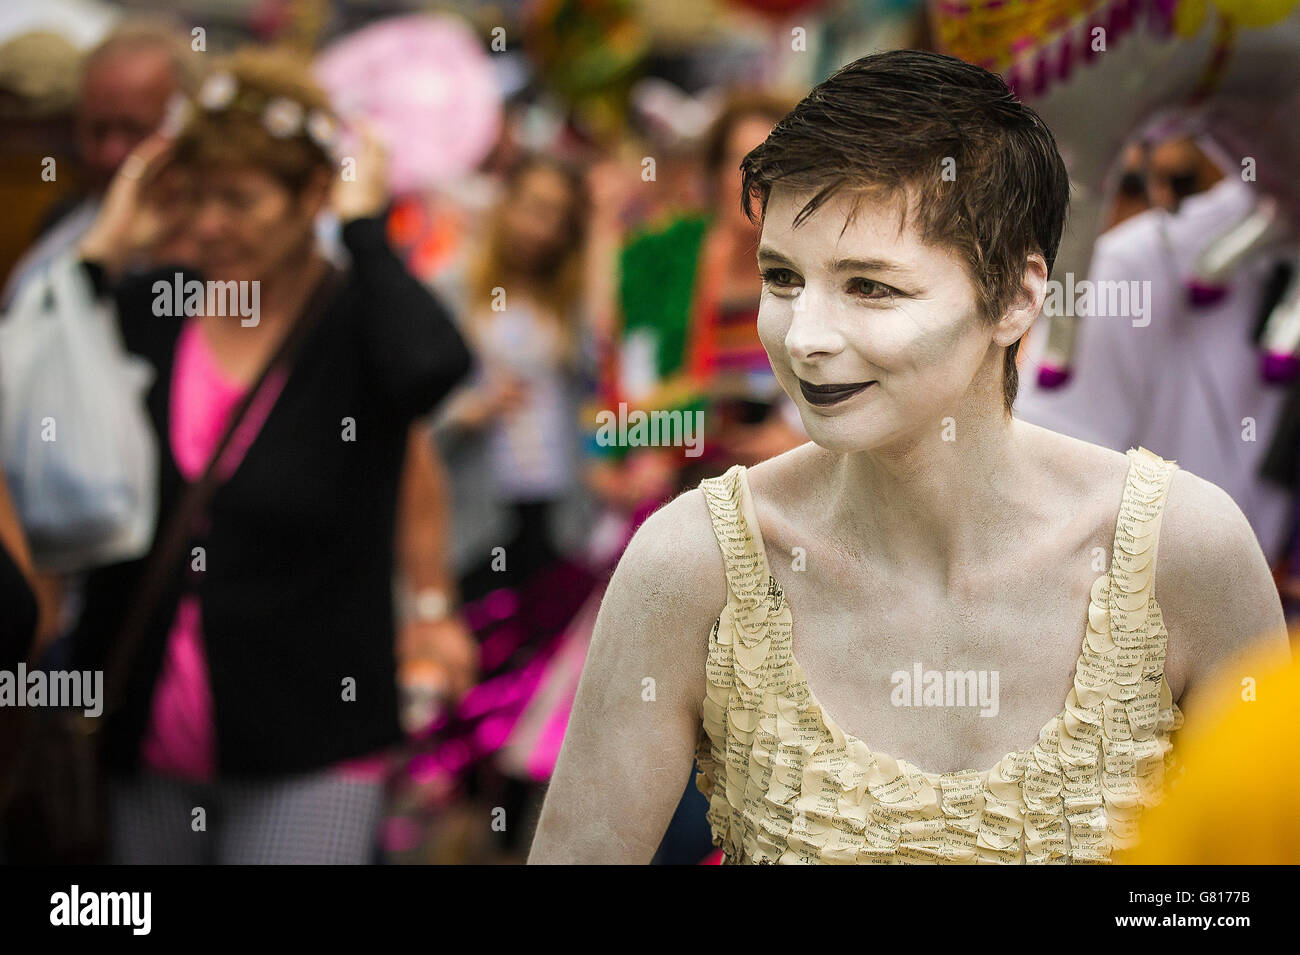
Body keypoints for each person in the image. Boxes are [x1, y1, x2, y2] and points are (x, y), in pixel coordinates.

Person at [528, 50, 1288, 865]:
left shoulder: (1186, 550)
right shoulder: (694, 563)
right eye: (782, 278)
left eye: (871, 287)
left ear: (1017, 296)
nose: (806, 337)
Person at [69, 49, 472, 864]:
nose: (213, 222)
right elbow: (41, 399)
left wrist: (364, 228)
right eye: (200, 195)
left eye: (242, 199)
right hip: (145, 737)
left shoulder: (359, 323)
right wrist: (101, 250)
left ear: (311, 197)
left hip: (312, 743)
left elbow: (433, 373)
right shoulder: (154, 306)